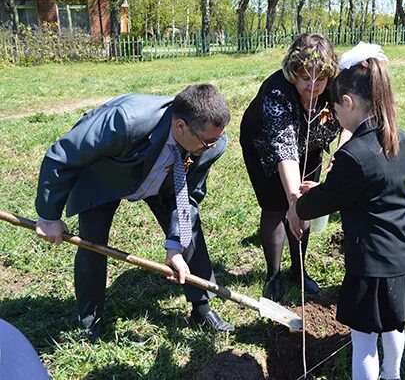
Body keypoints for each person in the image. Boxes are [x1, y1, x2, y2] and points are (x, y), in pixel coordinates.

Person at [34, 84, 236, 339]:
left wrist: (175, 246)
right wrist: (49, 216)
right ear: (181, 126)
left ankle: (201, 308)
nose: (213, 146)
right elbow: (62, 155)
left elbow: (189, 197)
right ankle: (89, 322)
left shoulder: (211, 143)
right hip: (106, 177)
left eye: (216, 139)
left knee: (190, 234)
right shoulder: (126, 121)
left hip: (164, 181)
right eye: (207, 141)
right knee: (91, 245)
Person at [296, 42, 405, 380]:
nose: (337, 117)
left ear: (348, 102)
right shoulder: (403, 139)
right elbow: (375, 190)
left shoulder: (354, 155)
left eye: (336, 109)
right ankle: (392, 375)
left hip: (371, 268)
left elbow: (322, 203)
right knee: (394, 326)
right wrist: (331, 189)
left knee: (364, 339)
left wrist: (304, 200)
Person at [240, 33, 351, 301]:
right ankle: (273, 274)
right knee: (276, 207)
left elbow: (349, 121)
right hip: (266, 148)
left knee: (308, 203)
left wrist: (341, 152)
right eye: (305, 78)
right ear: (293, 73)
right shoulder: (277, 92)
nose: (313, 86)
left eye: (320, 79)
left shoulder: (338, 86)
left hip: (312, 144)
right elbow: (285, 149)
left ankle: (299, 270)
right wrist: (292, 200)